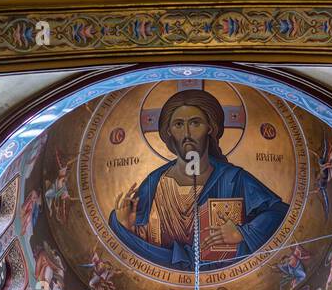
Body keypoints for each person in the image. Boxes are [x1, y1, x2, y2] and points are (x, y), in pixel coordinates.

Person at [109, 89, 288, 269]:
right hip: (167, 277)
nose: (187, 133)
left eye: (195, 123)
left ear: (210, 128)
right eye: (178, 124)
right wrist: (125, 225)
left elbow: (279, 212)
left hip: (222, 275)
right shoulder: (155, 182)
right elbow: (144, 244)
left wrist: (243, 233)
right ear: (169, 131)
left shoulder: (233, 178)